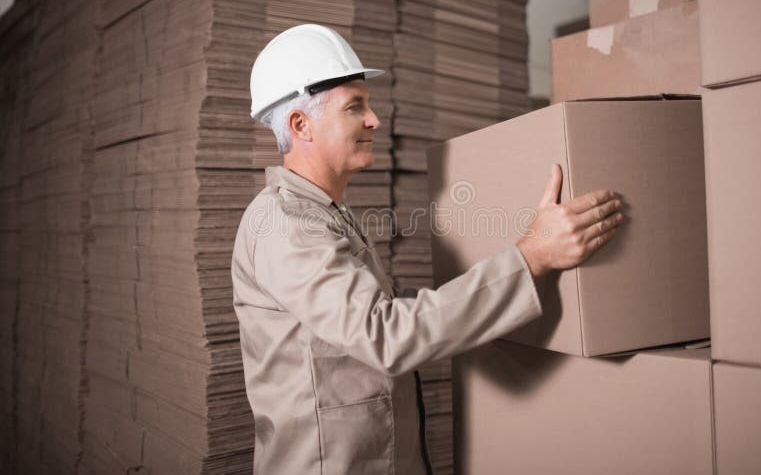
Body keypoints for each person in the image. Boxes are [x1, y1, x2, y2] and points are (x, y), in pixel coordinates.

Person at [231, 24, 624, 474]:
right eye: (354, 107)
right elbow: (386, 335)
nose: (374, 119)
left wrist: (506, 275)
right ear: (301, 125)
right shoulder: (286, 224)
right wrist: (531, 257)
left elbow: (373, 318)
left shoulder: (323, 214)